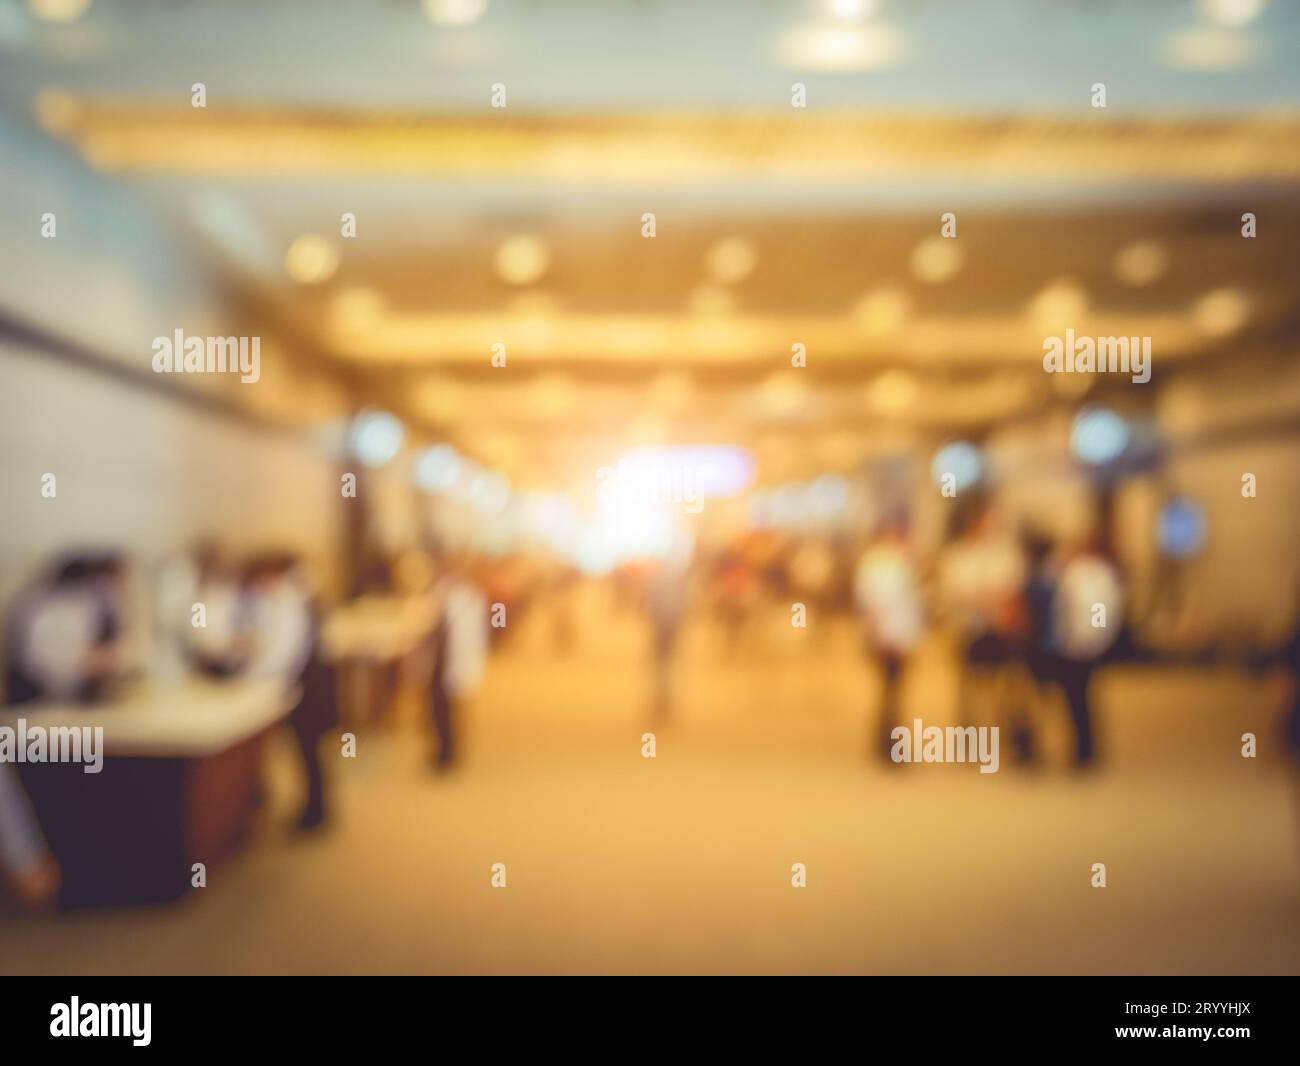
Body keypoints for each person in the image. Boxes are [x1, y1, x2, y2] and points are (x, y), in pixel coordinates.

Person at [242, 554, 338, 829]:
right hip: (310, 683)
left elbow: (284, 653)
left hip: (306, 688)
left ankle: (316, 812)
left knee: (308, 750)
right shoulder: (297, 597)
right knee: (309, 751)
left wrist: (252, 675)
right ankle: (316, 808)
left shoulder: (289, 603)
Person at [854, 519, 924, 762]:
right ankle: (890, 746)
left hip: (900, 635)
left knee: (893, 690)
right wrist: (883, 637)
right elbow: (875, 604)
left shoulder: (896, 561)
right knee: (890, 690)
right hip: (888, 637)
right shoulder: (880, 564)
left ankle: (889, 743)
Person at [1052, 536, 1124, 767]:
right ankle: (1085, 747)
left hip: (1079, 643)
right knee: (1081, 696)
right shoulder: (1098, 574)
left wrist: (1085, 636)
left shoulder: (1081, 573)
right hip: (1085, 642)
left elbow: (1070, 608)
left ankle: (1084, 747)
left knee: (1079, 697)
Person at [428, 554, 487, 771]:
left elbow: (474, 636)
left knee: (452, 710)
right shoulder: (441, 593)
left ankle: (449, 752)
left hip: (454, 660)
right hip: (439, 662)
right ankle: (442, 749)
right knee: (437, 709)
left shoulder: (470, 598)